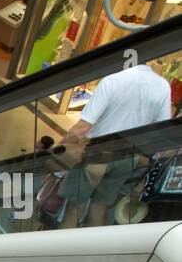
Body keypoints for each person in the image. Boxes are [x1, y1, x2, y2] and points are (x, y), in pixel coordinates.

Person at [57, 61, 172, 229]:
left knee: (74, 208)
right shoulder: (163, 86)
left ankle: (61, 252)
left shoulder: (113, 80)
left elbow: (83, 127)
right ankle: (90, 253)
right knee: (99, 209)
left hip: (98, 153)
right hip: (127, 157)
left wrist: (58, 150)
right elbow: (161, 131)